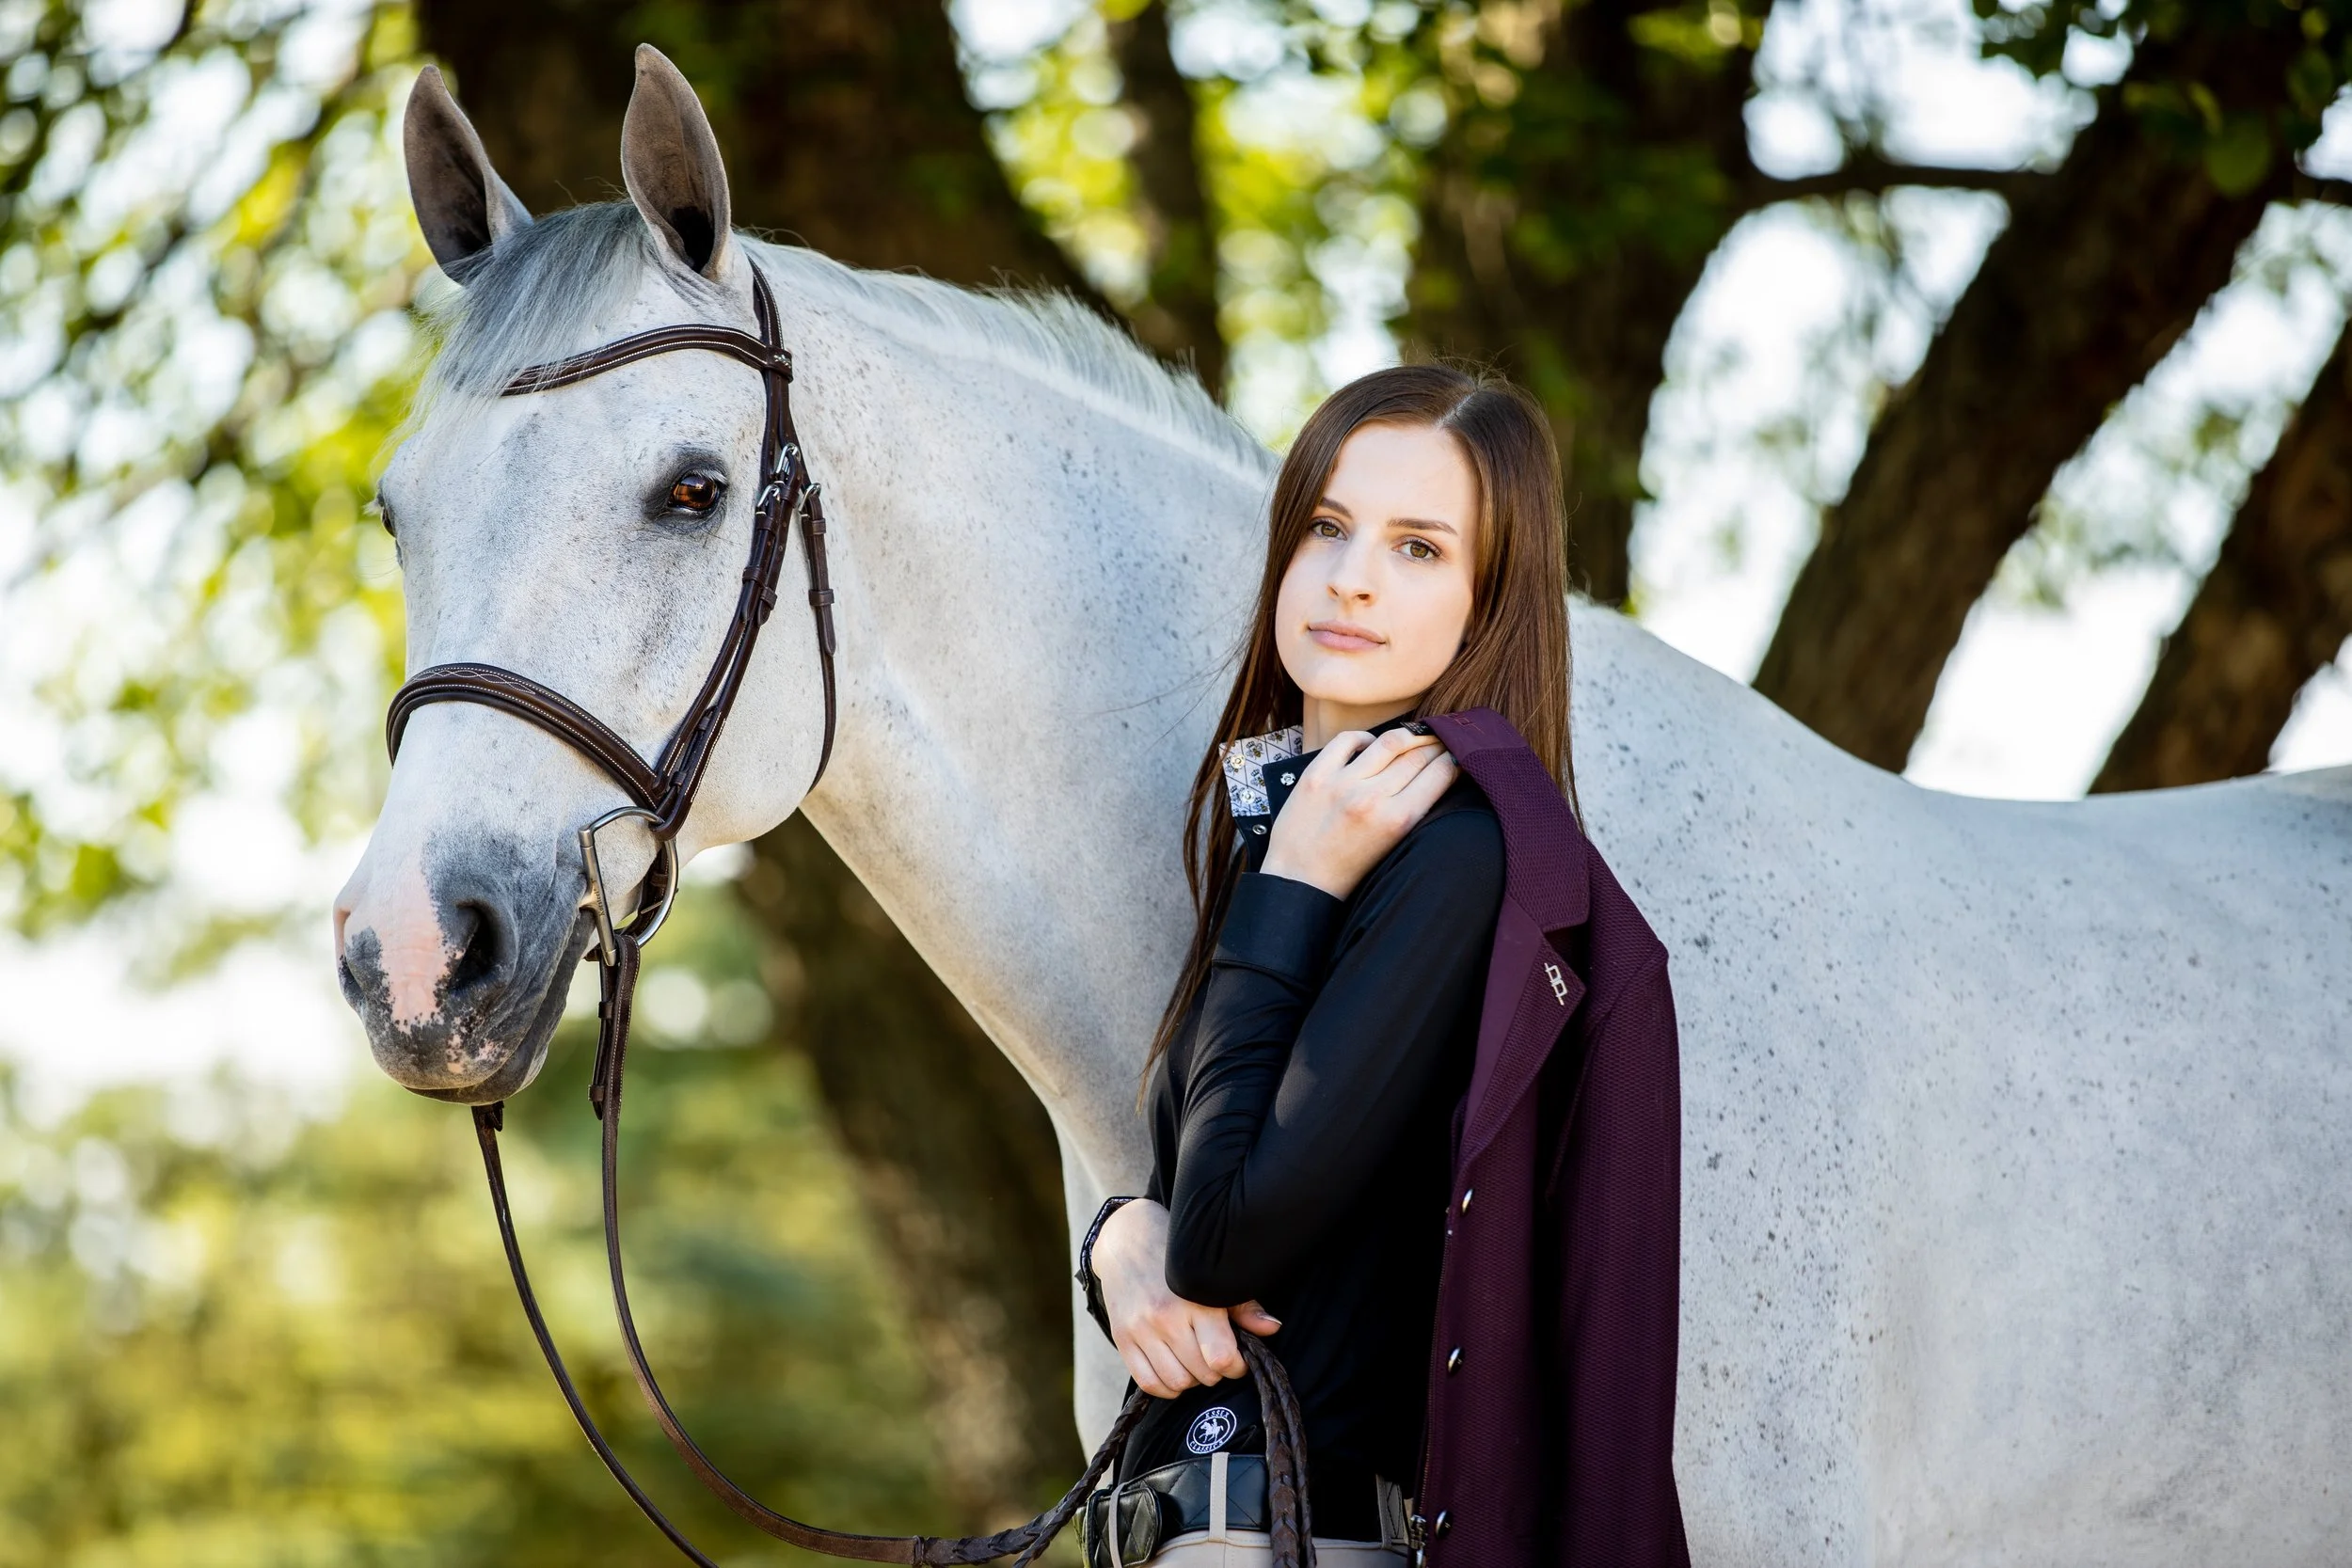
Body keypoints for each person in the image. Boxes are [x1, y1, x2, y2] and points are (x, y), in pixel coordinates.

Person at [1078, 361, 1685, 1568]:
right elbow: (1200, 1198)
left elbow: (1228, 1240)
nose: (1351, 574)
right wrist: (1112, 1235)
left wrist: (1294, 887)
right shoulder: (1293, 841)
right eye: (1326, 524)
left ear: (1488, 600)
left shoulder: (1453, 859)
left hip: (1301, 1538)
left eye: (1419, 548)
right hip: (1183, 1526)